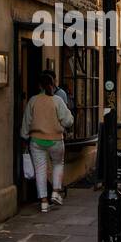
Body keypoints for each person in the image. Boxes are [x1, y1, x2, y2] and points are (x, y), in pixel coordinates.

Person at [21, 69, 73, 212]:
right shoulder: (58, 100)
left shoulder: (33, 100)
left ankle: (43, 202)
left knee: (40, 170)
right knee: (57, 164)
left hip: (37, 141)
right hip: (56, 140)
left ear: (40, 86)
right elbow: (68, 121)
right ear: (53, 84)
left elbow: (26, 122)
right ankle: (55, 192)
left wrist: (24, 137)